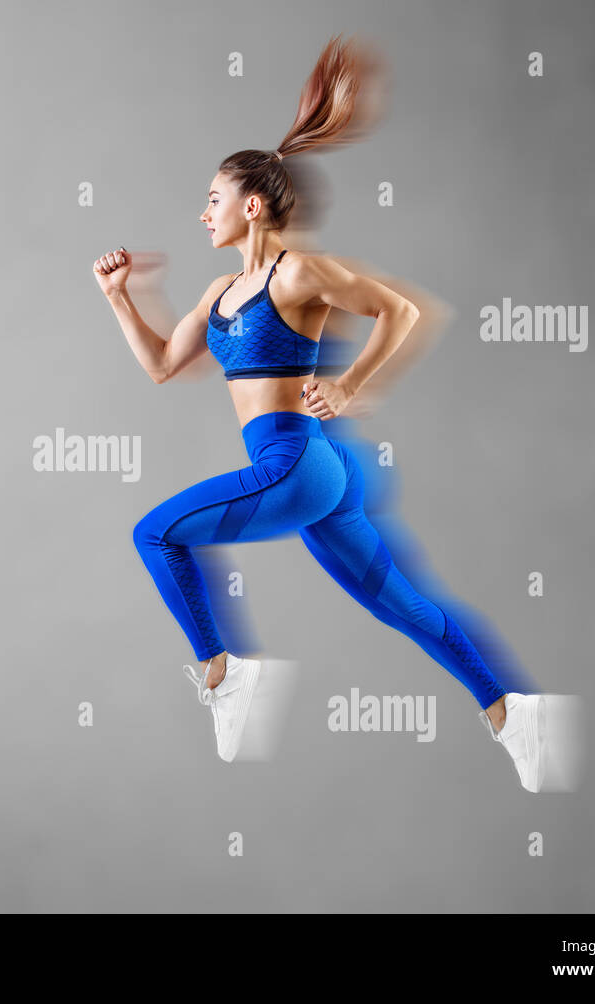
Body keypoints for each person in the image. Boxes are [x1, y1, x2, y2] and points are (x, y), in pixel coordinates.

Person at [92, 35, 548, 790]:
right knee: (401, 605)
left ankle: (221, 672)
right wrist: (119, 300)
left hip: (296, 463)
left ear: (253, 204)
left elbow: (399, 310)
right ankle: (510, 712)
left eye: (212, 198)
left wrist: (351, 384)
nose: (202, 212)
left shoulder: (297, 272)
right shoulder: (216, 295)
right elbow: (164, 366)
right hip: (315, 477)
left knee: (155, 533)